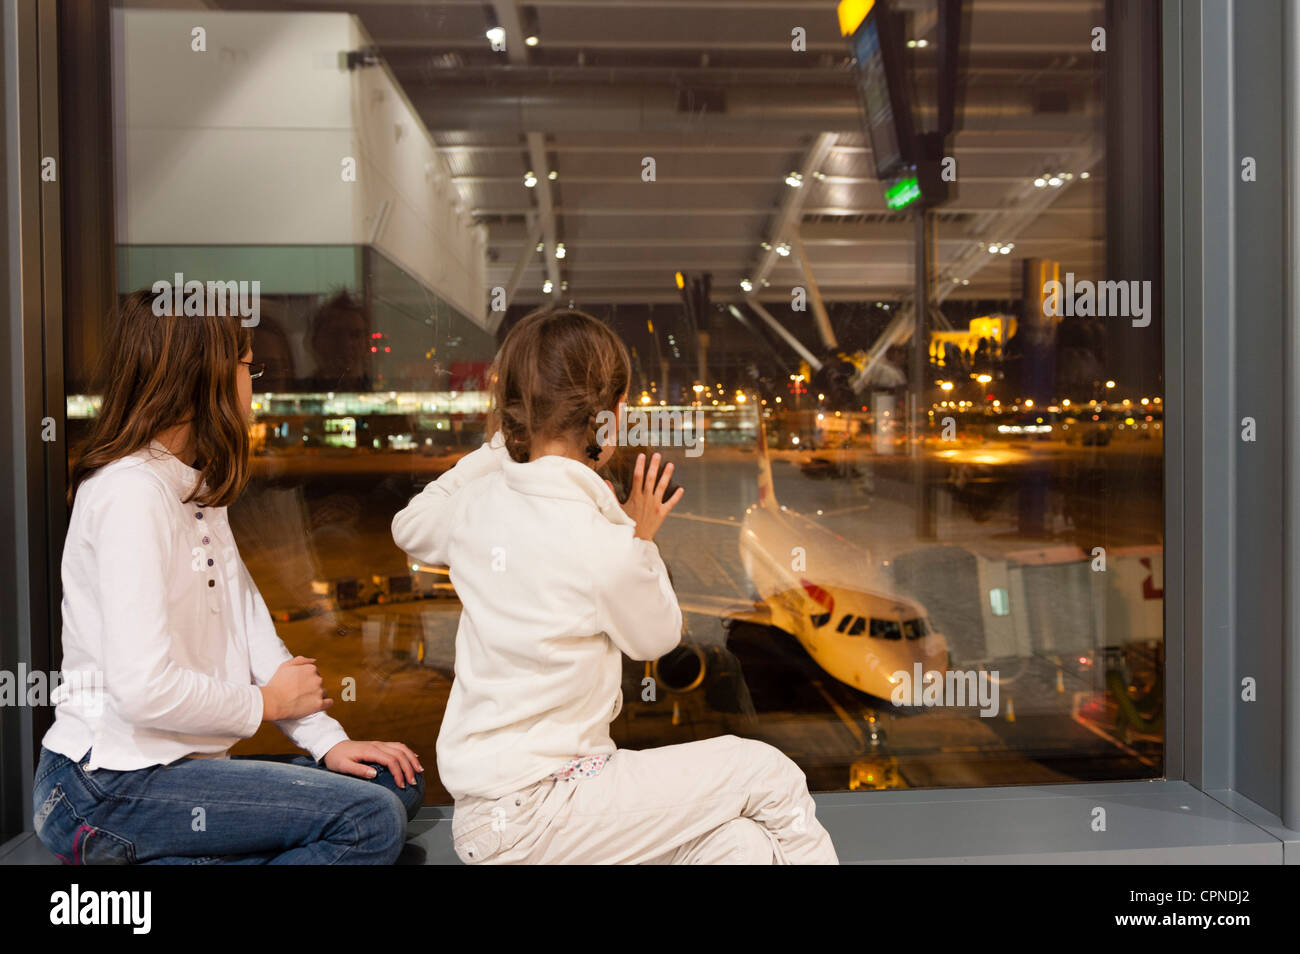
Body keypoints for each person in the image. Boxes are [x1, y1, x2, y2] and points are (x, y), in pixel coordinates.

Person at [391, 308, 839, 864]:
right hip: (546, 805)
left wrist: (501, 447)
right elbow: (656, 638)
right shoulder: (603, 545)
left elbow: (409, 525)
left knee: (738, 847)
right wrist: (638, 540)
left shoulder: (475, 508)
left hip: (502, 813)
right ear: (610, 415)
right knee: (766, 772)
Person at [32, 287, 424, 865]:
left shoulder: (193, 485)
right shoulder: (129, 495)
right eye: (246, 365)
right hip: (105, 787)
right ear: (203, 376)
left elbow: (250, 627)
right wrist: (264, 703)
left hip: (179, 772)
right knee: (371, 820)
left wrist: (329, 742)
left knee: (392, 785)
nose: (254, 380)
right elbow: (142, 690)